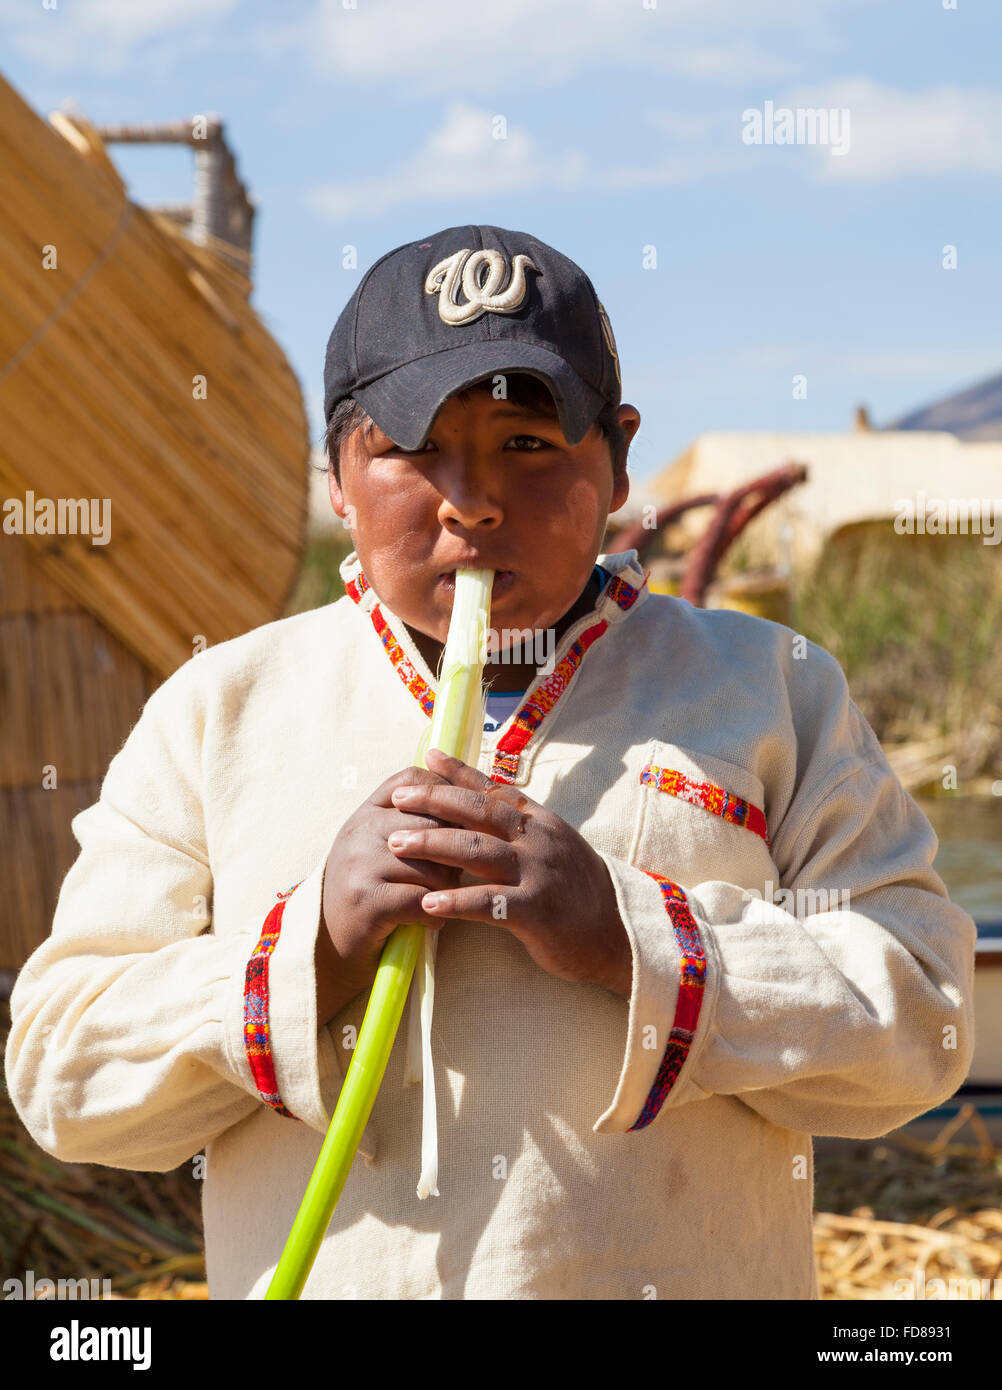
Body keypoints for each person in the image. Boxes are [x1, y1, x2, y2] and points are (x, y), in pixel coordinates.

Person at [5, 225, 976, 1300]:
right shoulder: (219, 712)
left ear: (616, 460)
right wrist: (309, 945)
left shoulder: (770, 690)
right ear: (336, 473)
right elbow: (60, 1072)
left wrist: (632, 938)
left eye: (528, 443)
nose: (470, 499)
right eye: (414, 449)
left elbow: (930, 1017)